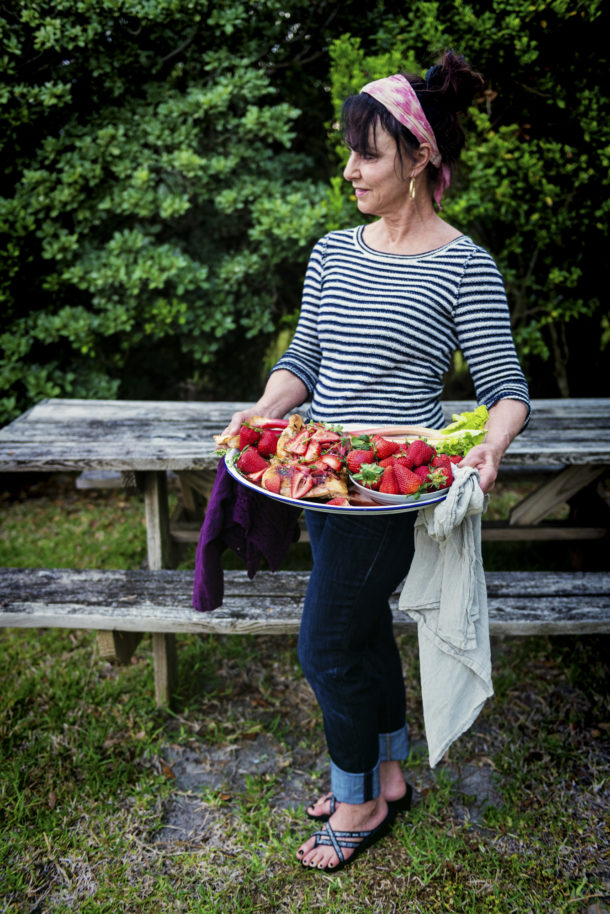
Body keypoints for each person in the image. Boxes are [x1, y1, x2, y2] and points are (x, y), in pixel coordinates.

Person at [222, 51, 530, 872]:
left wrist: (493, 445)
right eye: (349, 152)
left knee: (323, 646)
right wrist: (264, 409)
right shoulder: (332, 252)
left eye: (368, 154)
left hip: (389, 489)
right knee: (358, 630)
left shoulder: (463, 264)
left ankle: (356, 799)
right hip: (320, 474)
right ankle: (387, 774)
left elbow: (506, 389)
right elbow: (305, 359)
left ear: (420, 158)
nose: (349, 170)